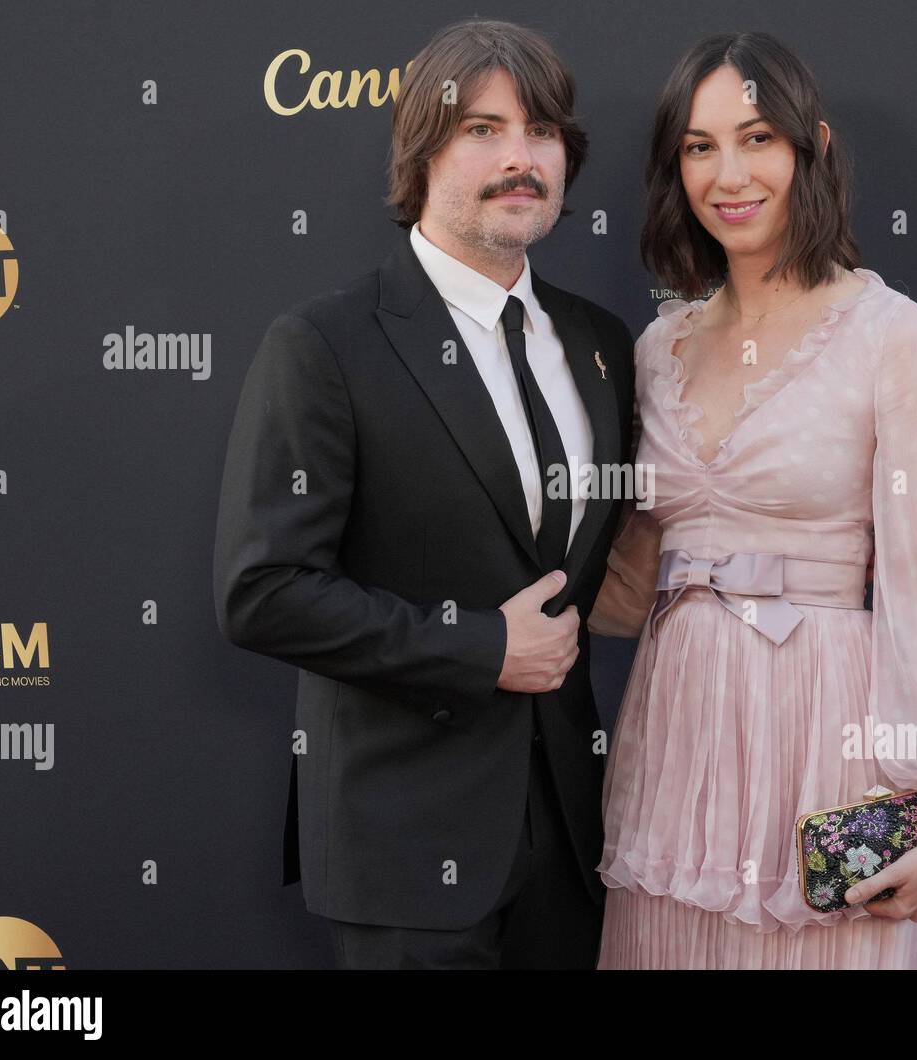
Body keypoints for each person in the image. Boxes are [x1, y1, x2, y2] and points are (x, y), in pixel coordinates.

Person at [587, 31, 917, 969]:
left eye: (756, 138)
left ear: (810, 145)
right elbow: (622, 585)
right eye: (699, 147)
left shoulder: (891, 336)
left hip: (830, 735)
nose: (728, 174)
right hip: (676, 738)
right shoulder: (659, 347)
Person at [213, 18, 636, 969]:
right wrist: (483, 645)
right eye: (481, 129)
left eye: (540, 132)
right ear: (421, 150)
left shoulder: (600, 344)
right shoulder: (326, 344)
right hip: (405, 846)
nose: (520, 158)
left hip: (573, 838)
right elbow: (262, 590)